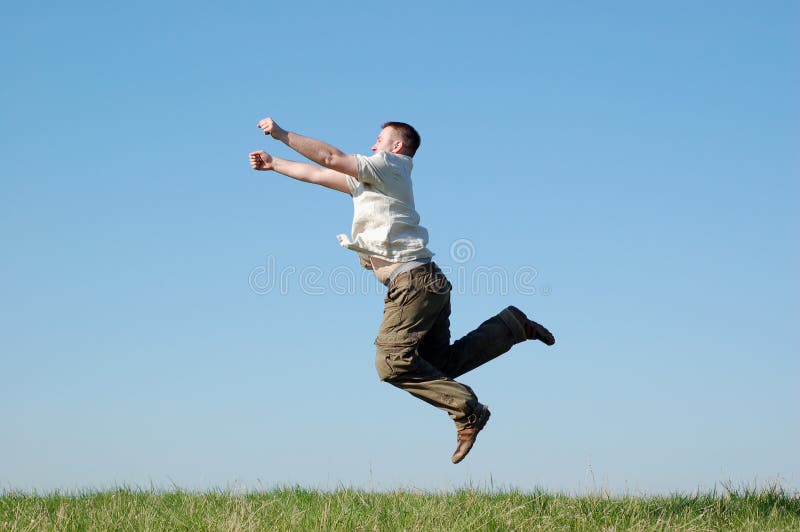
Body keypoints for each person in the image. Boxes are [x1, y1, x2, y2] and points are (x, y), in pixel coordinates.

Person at [249, 118, 555, 464]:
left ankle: (468, 411)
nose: (373, 143)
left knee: (391, 362)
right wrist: (275, 164)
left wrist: (281, 134)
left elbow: (330, 159)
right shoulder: (374, 179)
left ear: (396, 147)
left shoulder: (390, 166)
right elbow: (319, 174)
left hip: (414, 283)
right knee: (437, 366)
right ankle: (510, 326)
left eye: (379, 139)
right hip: (426, 281)